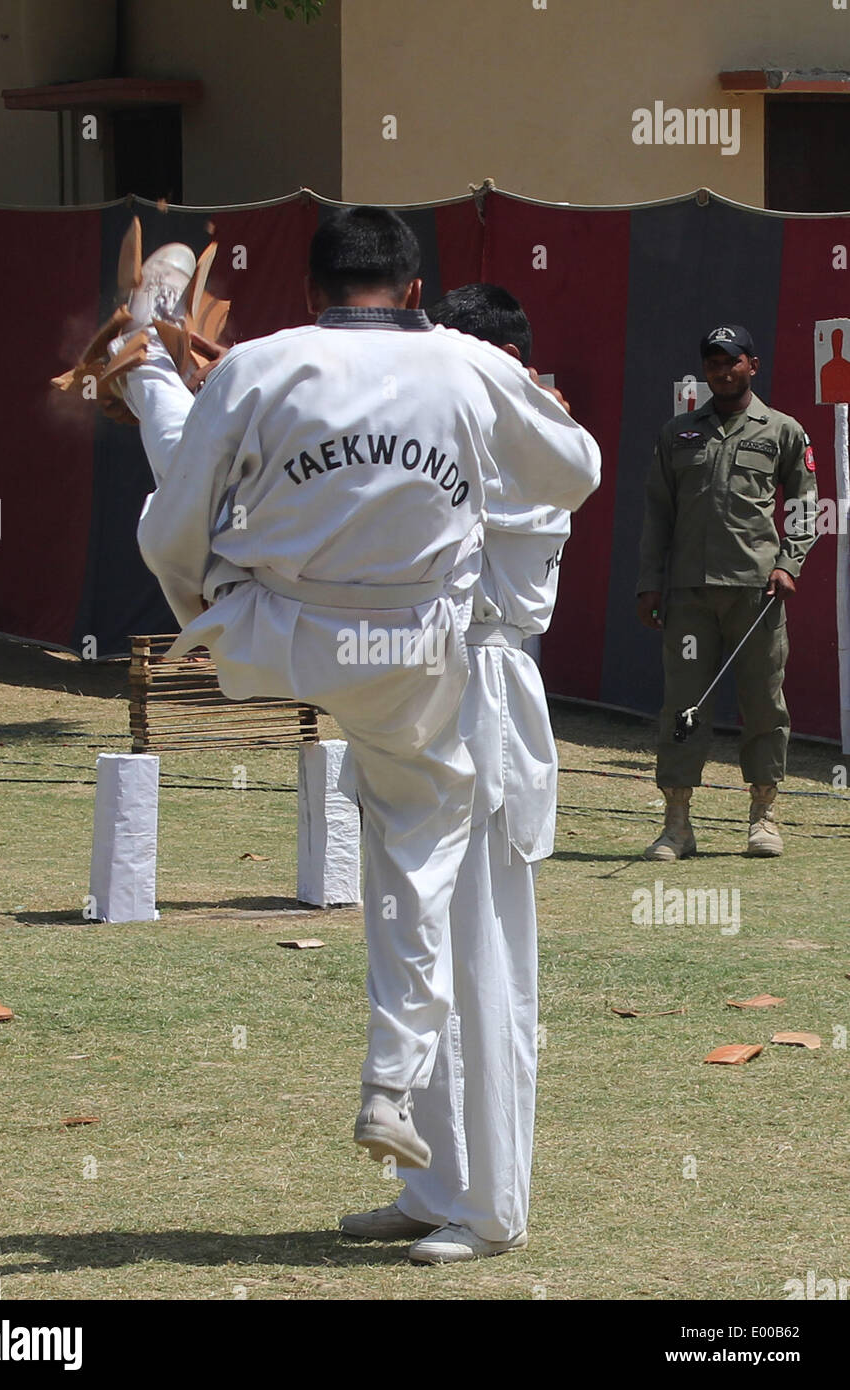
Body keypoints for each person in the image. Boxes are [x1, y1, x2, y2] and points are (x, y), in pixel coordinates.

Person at [106, 209, 601, 1194]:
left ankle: (143, 364)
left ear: (306, 291)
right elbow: (577, 470)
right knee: (426, 876)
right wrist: (510, 410)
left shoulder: (262, 365)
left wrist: (205, 605)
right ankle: (396, 1091)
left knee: (421, 889)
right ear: (415, 295)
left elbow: (171, 524)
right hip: (424, 656)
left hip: (285, 636)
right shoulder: (470, 372)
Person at [339, 283, 583, 1263]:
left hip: (477, 697)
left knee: (481, 966)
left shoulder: (530, 445)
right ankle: (431, 1183)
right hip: (413, 700)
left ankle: (490, 1211)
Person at [636, 324, 817, 860]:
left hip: (757, 595)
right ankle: (677, 823)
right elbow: (657, 515)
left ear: (752, 365)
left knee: (763, 702)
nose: (721, 370)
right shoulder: (678, 433)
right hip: (689, 596)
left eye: (731, 360)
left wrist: (790, 563)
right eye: (713, 362)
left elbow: (805, 504)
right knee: (683, 707)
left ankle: (763, 816)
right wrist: (650, 582)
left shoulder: (782, 430)